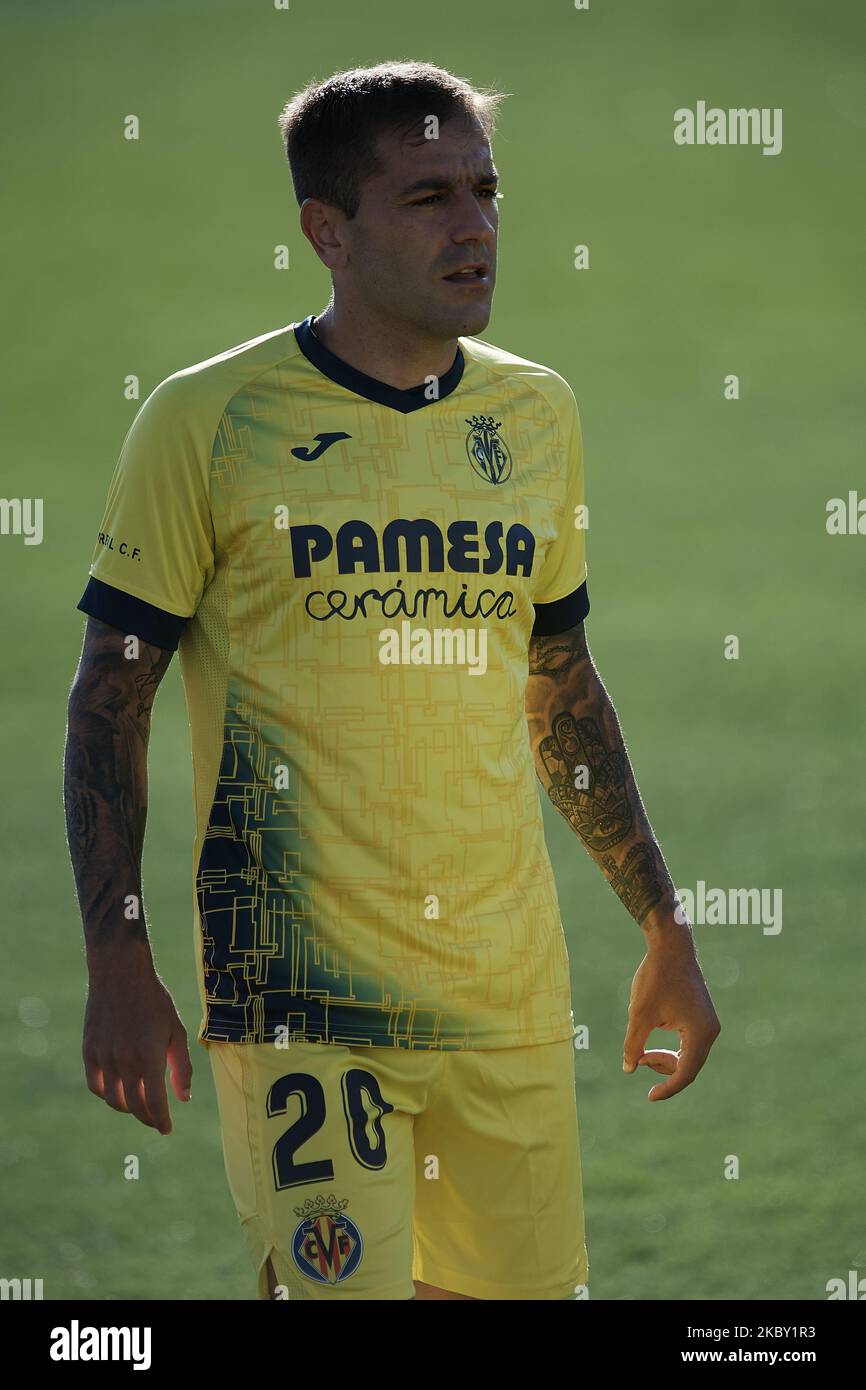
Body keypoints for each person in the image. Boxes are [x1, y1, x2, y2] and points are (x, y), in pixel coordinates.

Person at [64, 60, 720, 1302]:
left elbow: (559, 684)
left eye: (484, 189)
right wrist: (117, 958)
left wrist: (660, 921)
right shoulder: (205, 419)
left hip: (506, 993)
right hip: (300, 992)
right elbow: (111, 699)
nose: (473, 225)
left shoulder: (536, 413)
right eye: (426, 196)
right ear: (327, 230)